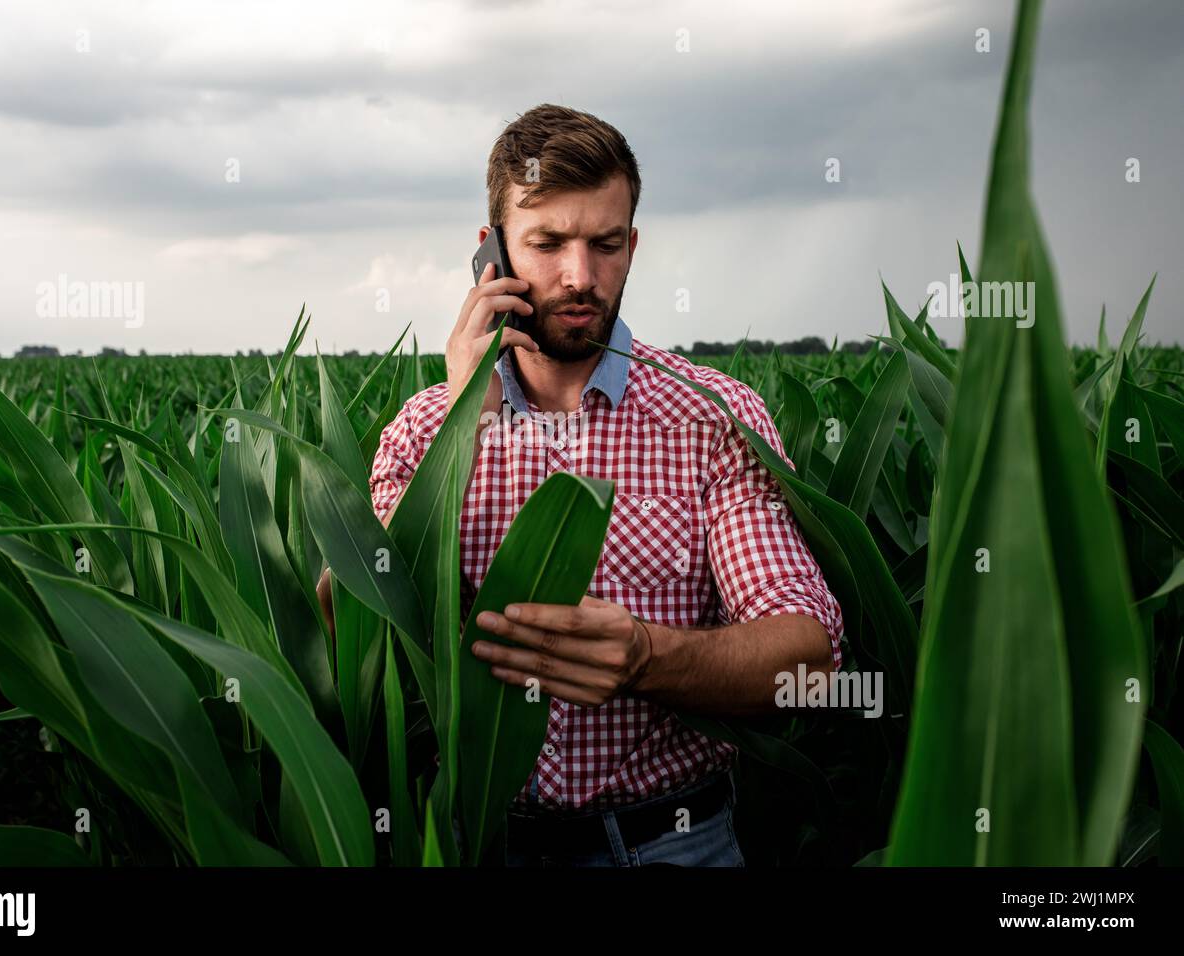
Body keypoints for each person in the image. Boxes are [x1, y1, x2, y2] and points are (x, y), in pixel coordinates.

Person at [319, 103, 843, 867]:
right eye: (548, 243)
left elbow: (810, 657)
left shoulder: (713, 417)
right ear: (490, 253)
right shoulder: (421, 429)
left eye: (604, 244)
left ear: (632, 245)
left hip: (673, 844)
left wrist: (648, 658)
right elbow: (350, 628)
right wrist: (461, 431)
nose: (580, 277)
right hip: (478, 843)